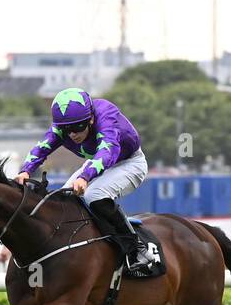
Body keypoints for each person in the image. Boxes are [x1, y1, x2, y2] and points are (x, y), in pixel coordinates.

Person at [13, 87, 158, 271]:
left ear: (91, 118)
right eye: (66, 129)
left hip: (130, 163)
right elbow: (42, 147)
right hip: (97, 164)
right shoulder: (65, 126)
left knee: (94, 195)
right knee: (64, 202)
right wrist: (25, 171)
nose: (72, 134)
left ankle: (137, 250)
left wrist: (84, 177)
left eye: (77, 127)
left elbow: (107, 151)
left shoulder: (106, 114)